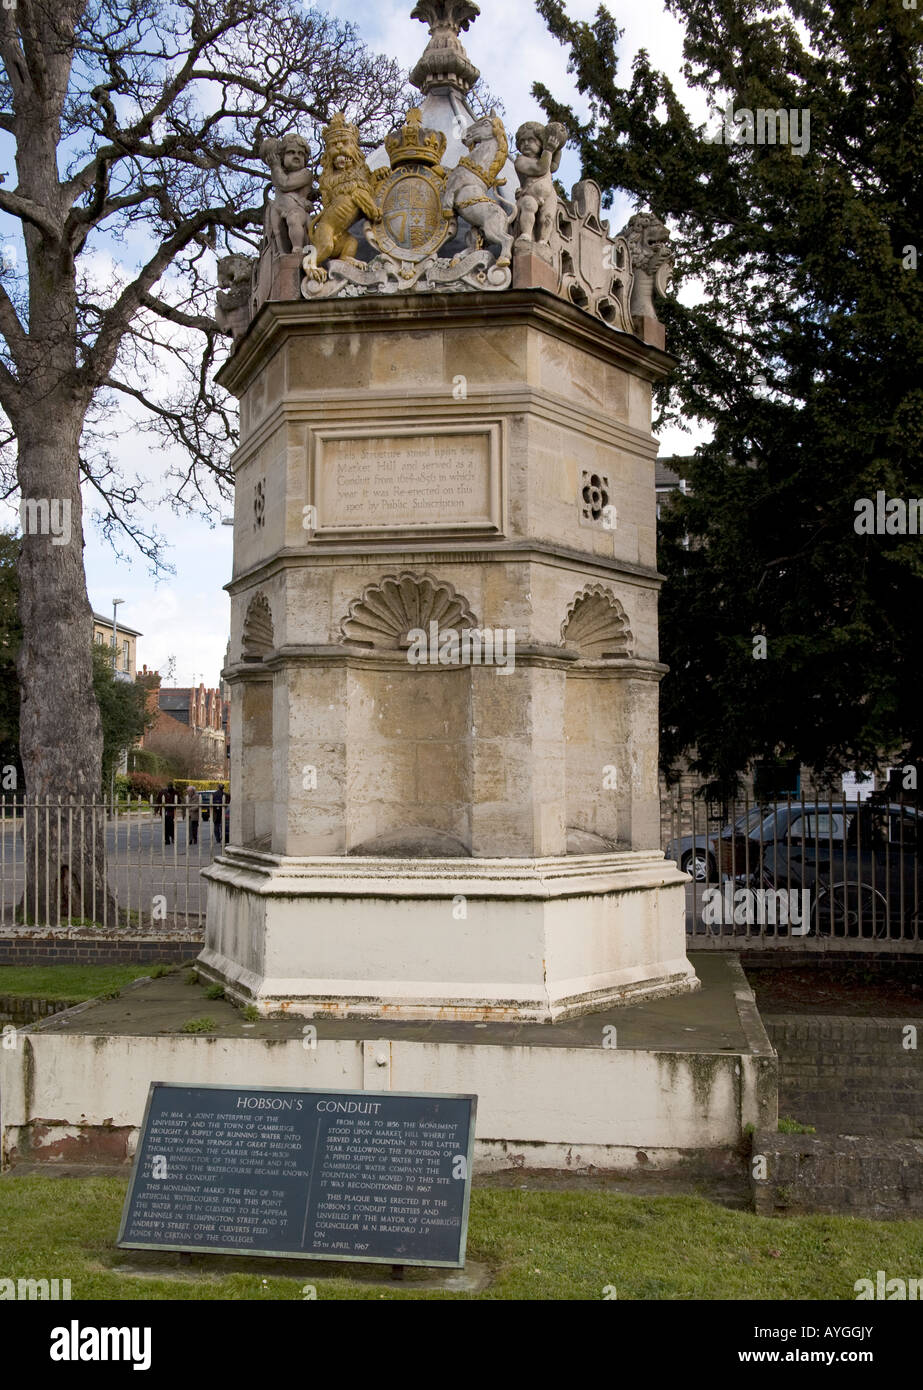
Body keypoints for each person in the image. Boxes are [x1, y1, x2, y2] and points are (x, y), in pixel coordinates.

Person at [163, 781, 177, 846]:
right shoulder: (163, 792)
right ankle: (167, 839)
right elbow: (158, 800)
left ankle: (172, 836)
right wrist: (156, 810)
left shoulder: (175, 792)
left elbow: (178, 801)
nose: (169, 788)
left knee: (170, 825)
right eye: (168, 786)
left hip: (171, 812)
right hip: (164, 812)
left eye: (170, 786)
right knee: (165, 826)